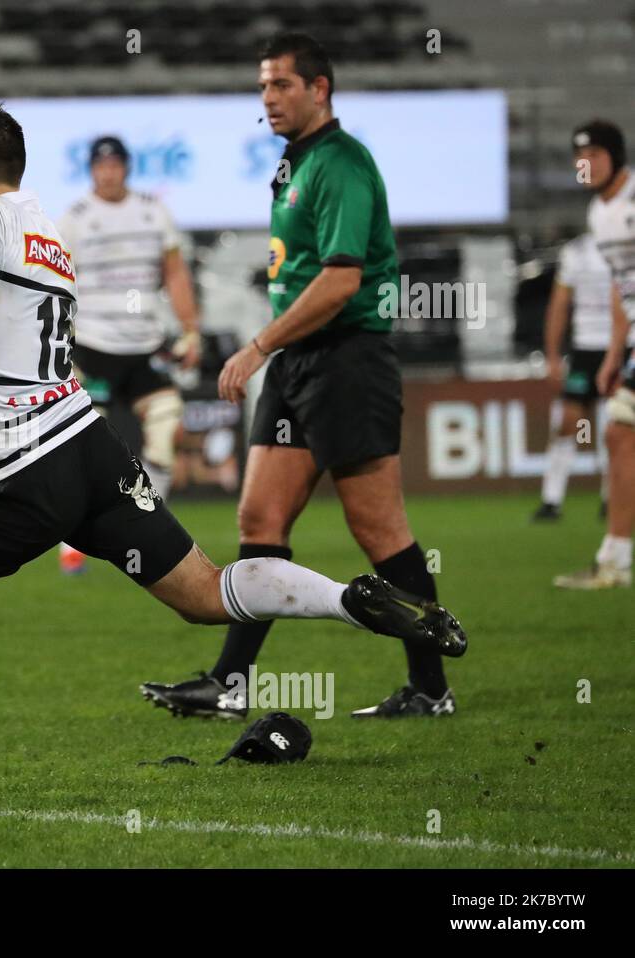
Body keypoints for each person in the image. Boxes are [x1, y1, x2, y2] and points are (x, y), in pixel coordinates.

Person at [0, 97, 467, 782]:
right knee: (206, 593)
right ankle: (350, 599)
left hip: (21, 475)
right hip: (88, 447)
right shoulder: (46, 231)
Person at [141, 34, 457, 721]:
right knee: (261, 517)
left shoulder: (340, 162)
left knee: (378, 529)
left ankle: (431, 687)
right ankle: (230, 687)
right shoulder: (295, 164)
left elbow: (342, 279)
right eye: (262, 87)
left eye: (281, 85)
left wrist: (258, 345)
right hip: (300, 362)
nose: (269, 99)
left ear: (320, 89)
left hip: (346, 359)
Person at [55, 136, 202, 574]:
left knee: (165, 424)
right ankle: (72, 544)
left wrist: (191, 331)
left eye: (115, 164)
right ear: (91, 171)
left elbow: (175, 274)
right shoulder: (75, 219)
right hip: (93, 344)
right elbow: (56, 280)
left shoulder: (154, 212)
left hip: (144, 345)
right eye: (101, 166)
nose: (108, 172)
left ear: (126, 167)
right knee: (82, 448)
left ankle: (149, 528)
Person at [555, 120, 635, 589]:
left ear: (616, 157)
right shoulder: (598, 214)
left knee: (620, 432)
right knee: (620, 433)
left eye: (594, 156)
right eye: (578, 158)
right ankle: (615, 560)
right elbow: (621, 285)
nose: (585, 165)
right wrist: (612, 356)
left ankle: (615, 561)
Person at [535, 231, 631, 521]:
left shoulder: (627, 250)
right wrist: (552, 356)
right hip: (585, 350)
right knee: (569, 422)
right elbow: (559, 304)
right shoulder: (576, 252)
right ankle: (552, 500)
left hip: (623, 346)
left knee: (618, 424)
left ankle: (611, 498)